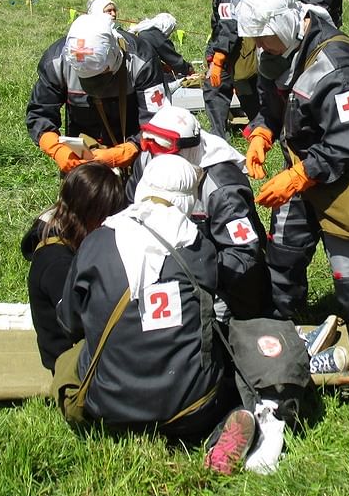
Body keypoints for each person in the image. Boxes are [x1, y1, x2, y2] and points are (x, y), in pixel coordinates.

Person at [234, 0, 349, 371]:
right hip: (302, 170)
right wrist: (261, 133)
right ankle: (285, 335)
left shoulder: (339, 66)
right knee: (281, 258)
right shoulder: (277, 53)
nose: (260, 47)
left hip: (344, 179)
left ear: (284, 24)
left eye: (264, 38)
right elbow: (271, 106)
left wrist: (299, 177)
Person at [57, 154, 257, 471]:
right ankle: (217, 436)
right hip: (191, 408)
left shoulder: (97, 242)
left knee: (68, 361)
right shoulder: (198, 248)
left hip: (109, 405)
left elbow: (68, 323)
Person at [125, 105, 272, 320]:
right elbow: (130, 207)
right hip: (162, 271)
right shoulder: (149, 159)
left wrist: (193, 269)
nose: (160, 163)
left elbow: (243, 256)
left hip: (222, 286)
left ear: (189, 150)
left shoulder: (222, 190)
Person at [26, 9, 169, 173]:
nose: (95, 88)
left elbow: (158, 120)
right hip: (81, 151)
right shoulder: (56, 62)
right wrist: (57, 149)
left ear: (114, 54)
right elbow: (39, 113)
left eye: (101, 76)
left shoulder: (141, 60)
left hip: (134, 144)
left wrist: (130, 149)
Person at [21, 162, 126, 372]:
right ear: (92, 215)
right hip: (69, 360)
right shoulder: (57, 263)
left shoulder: (68, 237)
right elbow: (79, 323)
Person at [197, 0, 258, 139]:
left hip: (234, 49)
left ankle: (218, 138)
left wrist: (217, 60)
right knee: (247, 89)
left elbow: (228, 26)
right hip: (246, 46)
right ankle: (260, 127)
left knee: (215, 90)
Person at [128, 13, 195, 78]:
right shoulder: (154, 36)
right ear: (167, 27)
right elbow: (174, 59)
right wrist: (189, 69)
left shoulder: (142, 31)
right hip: (141, 75)